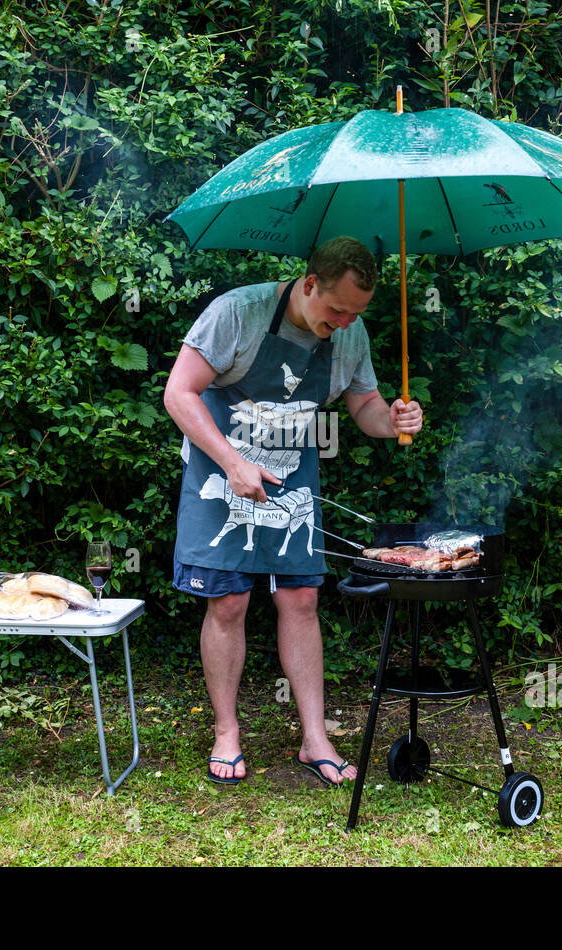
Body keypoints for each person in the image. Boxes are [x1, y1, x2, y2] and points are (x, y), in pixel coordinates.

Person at [163, 236, 423, 786]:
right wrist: (234, 463)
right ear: (309, 286)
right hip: (221, 463)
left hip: (292, 471)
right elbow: (179, 394)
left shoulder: (350, 334)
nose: (347, 323)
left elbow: (365, 408)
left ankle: (315, 739)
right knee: (228, 601)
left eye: (357, 313)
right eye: (337, 311)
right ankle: (227, 732)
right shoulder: (237, 312)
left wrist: (393, 421)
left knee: (301, 597)